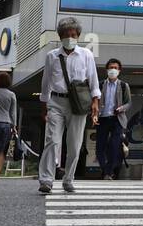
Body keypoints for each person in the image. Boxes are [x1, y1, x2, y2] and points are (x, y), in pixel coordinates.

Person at [38, 17, 100, 195]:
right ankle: (46, 180)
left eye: (73, 35)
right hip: (56, 102)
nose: (69, 38)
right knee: (52, 141)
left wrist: (95, 101)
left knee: (74, 144)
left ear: (78, 36)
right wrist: (44, 105)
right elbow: (46, 82)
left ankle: (68, 179)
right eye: (65, 35)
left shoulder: (86, 55)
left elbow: (93, 80)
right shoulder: (52, 56)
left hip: (78, 104)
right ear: (60, 36)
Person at [93, 58, 131, 180]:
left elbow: (129, 103)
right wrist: (94, 114)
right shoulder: (100, 84)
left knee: (115, 146)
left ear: (119, 70)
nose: (113, 70)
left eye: (115, 68)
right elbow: (94, 101)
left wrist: (121, 108)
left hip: (117, 119)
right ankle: (105, 169)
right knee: (100, 147)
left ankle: (108, 172)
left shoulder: (124, 86)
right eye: (111, 67)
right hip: (102, 118)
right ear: (107, 70)